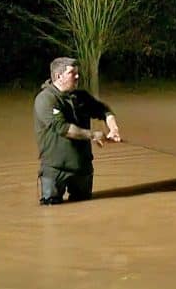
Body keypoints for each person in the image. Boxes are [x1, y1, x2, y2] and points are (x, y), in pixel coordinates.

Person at [34, 57, 121, 204]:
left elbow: (104, 110)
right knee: (51, 210)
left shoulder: (81, 97)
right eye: (72, 73)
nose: (77, 76)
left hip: (82, 168)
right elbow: (62, 128)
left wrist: (114, 128)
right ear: (58, 76)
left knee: (84, 207)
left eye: (77, 73)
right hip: (55, 169)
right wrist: (93, 135)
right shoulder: (45, 99)